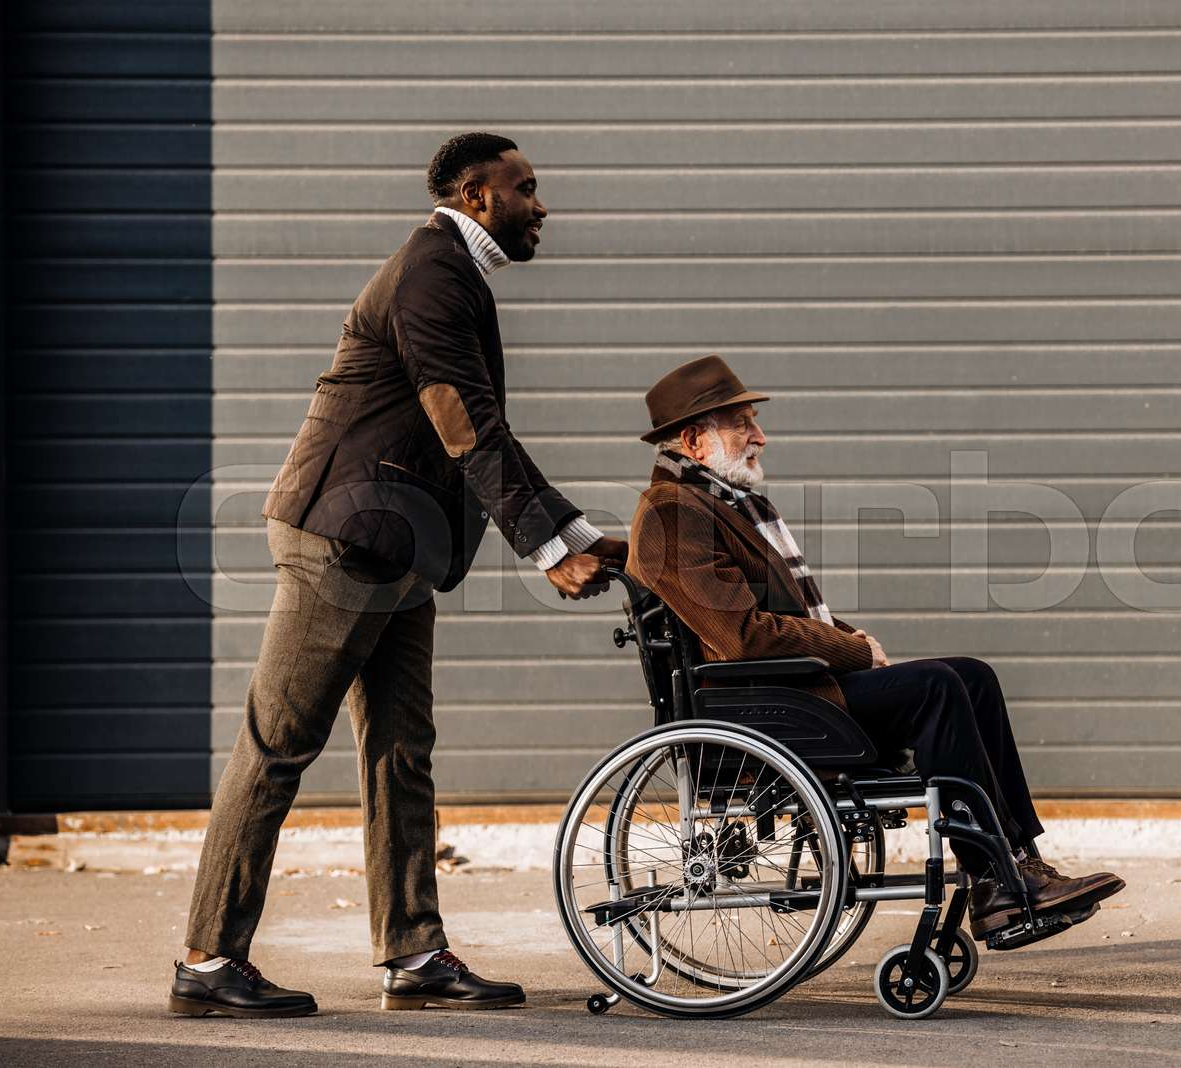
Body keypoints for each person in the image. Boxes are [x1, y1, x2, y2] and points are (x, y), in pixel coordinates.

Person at [170, 132, 626, 1019]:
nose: (542, 206)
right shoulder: (431, 272)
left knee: (401, 751)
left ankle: (414, 952)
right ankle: (207, 960)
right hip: (341, 541)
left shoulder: (454, 272)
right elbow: (463, 423)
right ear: (476, 193)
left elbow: (487, 428)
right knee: (276, 745)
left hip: (396, 547)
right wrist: (548, 553)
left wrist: (576, 533)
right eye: (526, 188)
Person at [625, 355, 1124, 943]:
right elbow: (742, 636)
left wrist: (847, 640)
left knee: (973, 676)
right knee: (937, 688)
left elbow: (785, 614)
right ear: (694, 441)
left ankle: (1017, 863)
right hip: (764, 704)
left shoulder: (721, 506)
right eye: (742, 424)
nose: (760, 436)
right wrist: (852, 651)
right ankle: (996, 880)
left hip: (793, 688)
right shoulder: (672, 515)